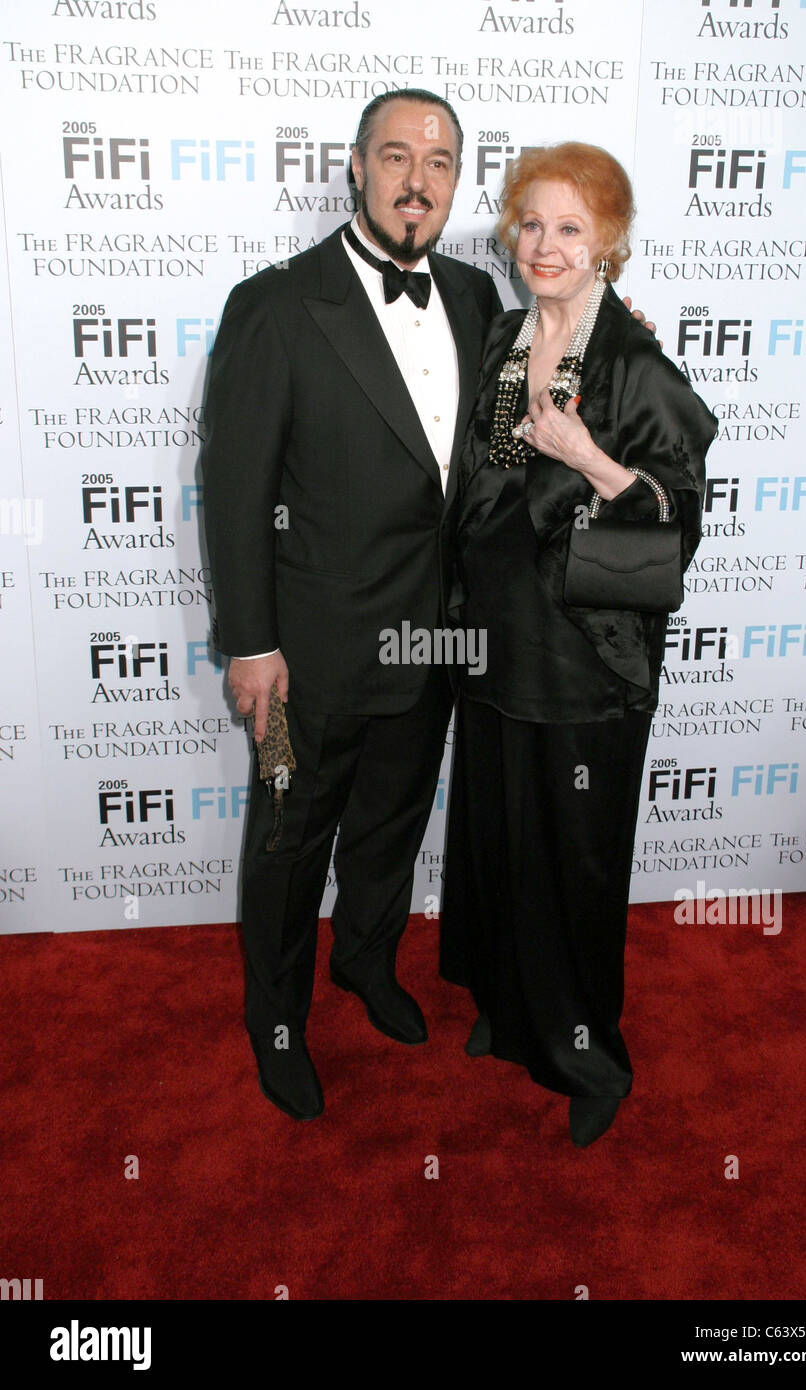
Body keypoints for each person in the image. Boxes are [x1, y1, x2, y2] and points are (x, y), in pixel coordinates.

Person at [201, 89, 502, 1122]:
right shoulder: (276, 304)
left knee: (389, 824)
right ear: (357, 168)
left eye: (439, 161)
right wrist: (249, 647)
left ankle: (364, 962)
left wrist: (610, 333)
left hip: (432, 638)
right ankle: (275, 1018)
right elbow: (233, 491)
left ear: (456, 182)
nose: (417, 179)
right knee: (287, 840)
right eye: (395, 155)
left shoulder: (473, 299)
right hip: (299, 661)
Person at [438, 142, 718, 1148]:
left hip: (584, 663)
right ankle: (511, 1017)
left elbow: (672, 527)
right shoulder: (505, 336)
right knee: (498, 840)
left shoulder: (636, 366)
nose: (543, 245)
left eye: (568, 227)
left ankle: (589, 1053)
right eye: (529, 223)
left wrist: (589, 457)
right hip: (490, 646)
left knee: (574, 860)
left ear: (607, 242)